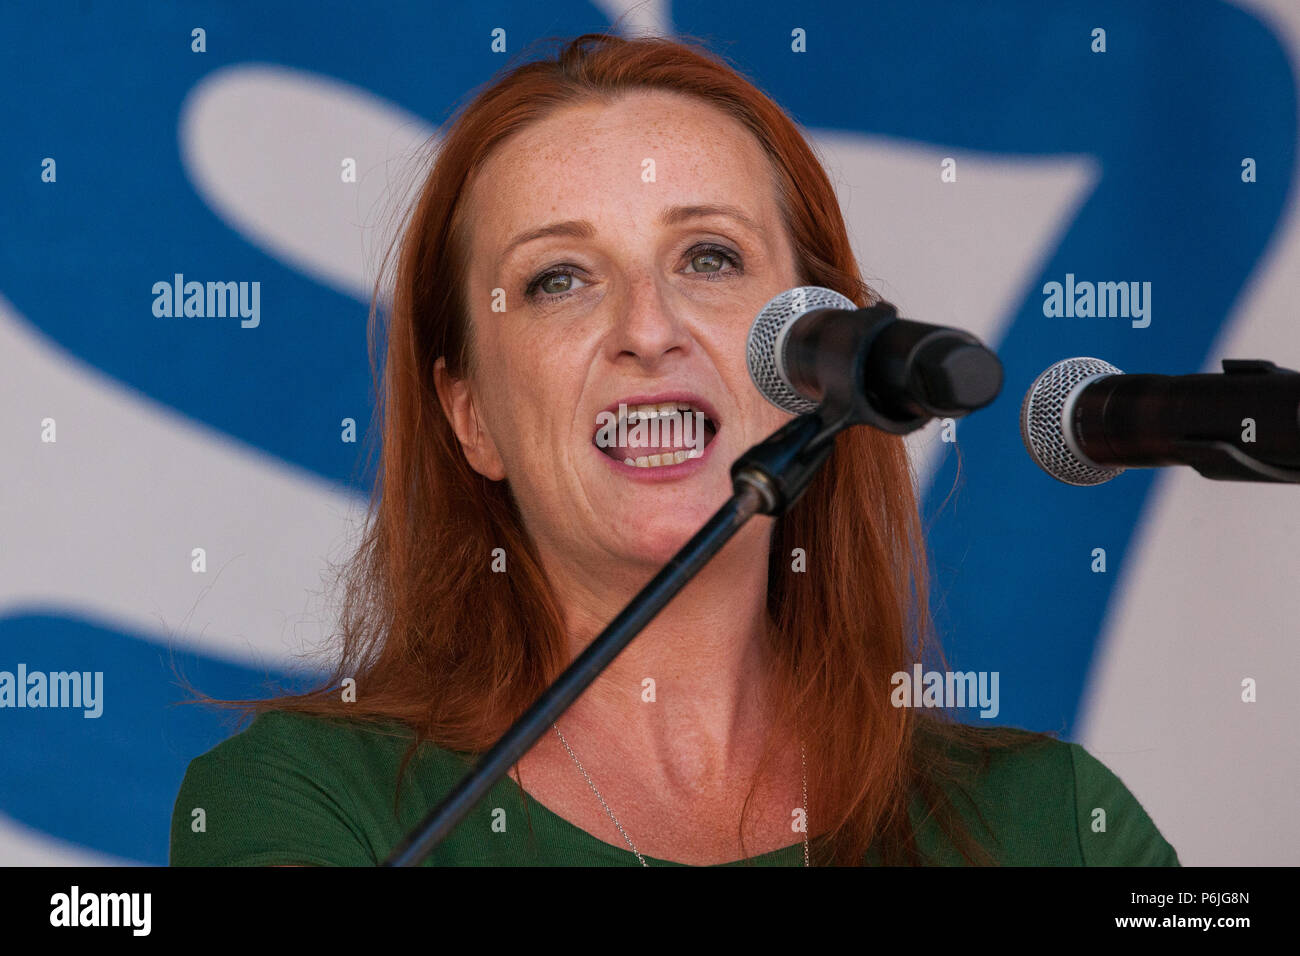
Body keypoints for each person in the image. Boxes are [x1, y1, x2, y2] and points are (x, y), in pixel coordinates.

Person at [169, 32, 1178, 867]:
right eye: (559, 276)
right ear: (470, 414)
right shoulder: (301, 806)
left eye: (709, 256)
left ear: (828, 358)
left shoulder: (1054, 824)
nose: (648, 327)